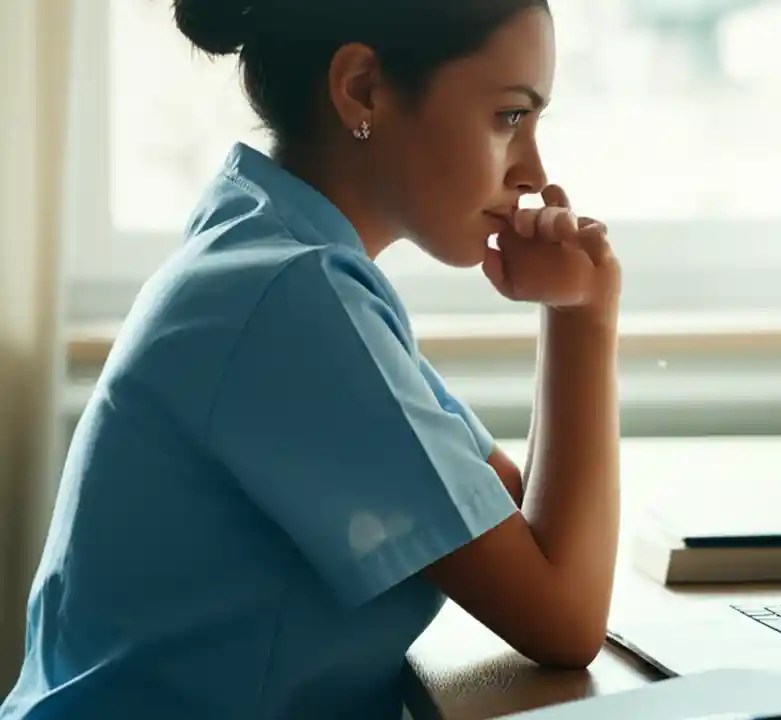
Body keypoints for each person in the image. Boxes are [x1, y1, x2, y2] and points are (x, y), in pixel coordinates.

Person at [0, 0, 621, 717]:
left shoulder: (277, 252)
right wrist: (588, 317)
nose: (535, 173)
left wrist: (573, 309)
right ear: (360, 89)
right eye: (509, 117)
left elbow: (512, 524)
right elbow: (564, 618)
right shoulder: (293, 299)